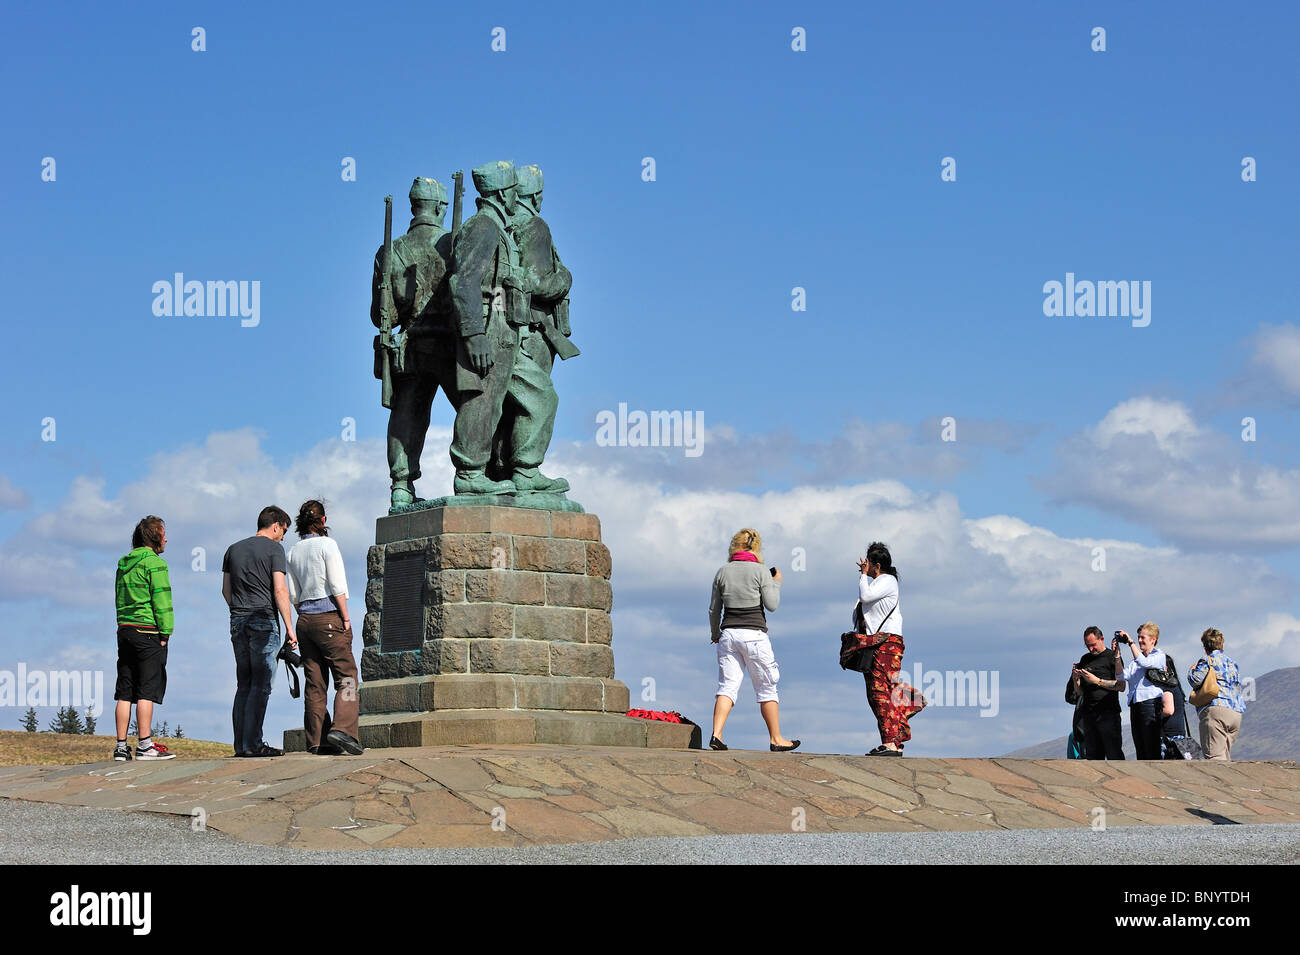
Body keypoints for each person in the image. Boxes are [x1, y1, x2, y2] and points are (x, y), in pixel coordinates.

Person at [489, 163, 579, 491]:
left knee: (506, 407)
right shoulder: (535, 226)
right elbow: (539, 284)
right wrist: (565, 277)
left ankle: (502, 472)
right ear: (536, 196)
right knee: (536, 401)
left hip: (509, 331)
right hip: (533, 331)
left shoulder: (502, 227)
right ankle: (525, 470)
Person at [371, 177, 460, 509]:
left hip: (409, 348)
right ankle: (475, 474)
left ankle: (401, 485)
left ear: (413, 207)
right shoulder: (453, 244)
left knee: (407, 415)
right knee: (472, 409)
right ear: (439, 207)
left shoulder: (390, 251)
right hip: (449, 346)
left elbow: (384, 316)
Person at [707, 528, 798, 752]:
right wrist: (776, 582)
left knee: (727, 686)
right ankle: (776, 738)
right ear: (757, 548)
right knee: (767, 687)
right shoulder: (760, 572)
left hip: (728, 635)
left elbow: (713, 609)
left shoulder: (722, 572)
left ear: (733, 546)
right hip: (754, 635)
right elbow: (772, 605)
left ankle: (716, 735)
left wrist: (715, 634)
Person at [285, 500, 363, 756]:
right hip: (329, 616)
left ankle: (317, 740)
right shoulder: (328, 545)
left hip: (304, 620)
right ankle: (344, 730)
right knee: (347, 677)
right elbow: (337, 585)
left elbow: (293, 593)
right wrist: (346, 618)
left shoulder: (293, 551)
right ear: (323, 520)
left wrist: (304, 616)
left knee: (315, 682)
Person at [222, 506, 297, 757]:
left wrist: (238, 612)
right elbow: (280, 590)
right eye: (283, 531)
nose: (283, 537)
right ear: (275, 525)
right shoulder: (275, 549)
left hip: (238, 621)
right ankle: (254, 744)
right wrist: (289, 627)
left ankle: (240, 745)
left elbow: (225, 590)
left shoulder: (233, 549)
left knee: (243, 684)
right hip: (263, 621)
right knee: (261, 685)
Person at [112, 516, 176, 760]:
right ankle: (145, 745)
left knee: (124, 690)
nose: (166, 538)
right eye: (163, 533)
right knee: (146, 690)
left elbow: (119, 598)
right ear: (154, 536)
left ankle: (120, 747)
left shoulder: (123, 564)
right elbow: (162, 600)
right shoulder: (155, 564)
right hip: (148, 631)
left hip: (125, 630)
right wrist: (165, 632)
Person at [856, 541, 925, 756]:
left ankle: (892, 741)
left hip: (886, 643)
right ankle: (892, 737)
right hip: (877, 642)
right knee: (878, 692)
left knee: (880, 691)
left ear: (876, 565)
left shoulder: (887, 581)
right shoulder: (878, 584)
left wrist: (862, 576)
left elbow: (865, 597)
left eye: (868, 563)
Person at [1186, 628, 1247, 760]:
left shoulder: (1207, 660)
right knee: (1224, 756)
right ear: (1221, 644)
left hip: (1216, 709)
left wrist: (1191, 670)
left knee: (1214, 758)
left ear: (1205, 645)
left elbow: (1195, 680)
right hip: (1235, 712)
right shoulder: (1232, 663)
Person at [1066, 626, 1125, 760]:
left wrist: (1096, 681)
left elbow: (1121, 686)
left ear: (1101, 639)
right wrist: (1076, 680)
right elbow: (1079, 692)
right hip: (1088, 715)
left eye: (1093, 645)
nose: (1091, 649)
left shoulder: (1112, 657)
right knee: (1092, 757)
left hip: (1108, 713)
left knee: (1113, 754)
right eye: (1088, 646)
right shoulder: (1085, 659)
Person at [1117, 622, 1166, 759]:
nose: (1139, 641)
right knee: (1140, 746)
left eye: (1142, 637)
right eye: (1138, 637)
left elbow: (1145, 663)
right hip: (1135, 704)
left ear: (1153, 639)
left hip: (1150, 704)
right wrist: (1117, 656)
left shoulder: (1159, 656)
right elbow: (1121, 676)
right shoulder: (1135, 662)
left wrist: (1130, 642)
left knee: (1151, 746)